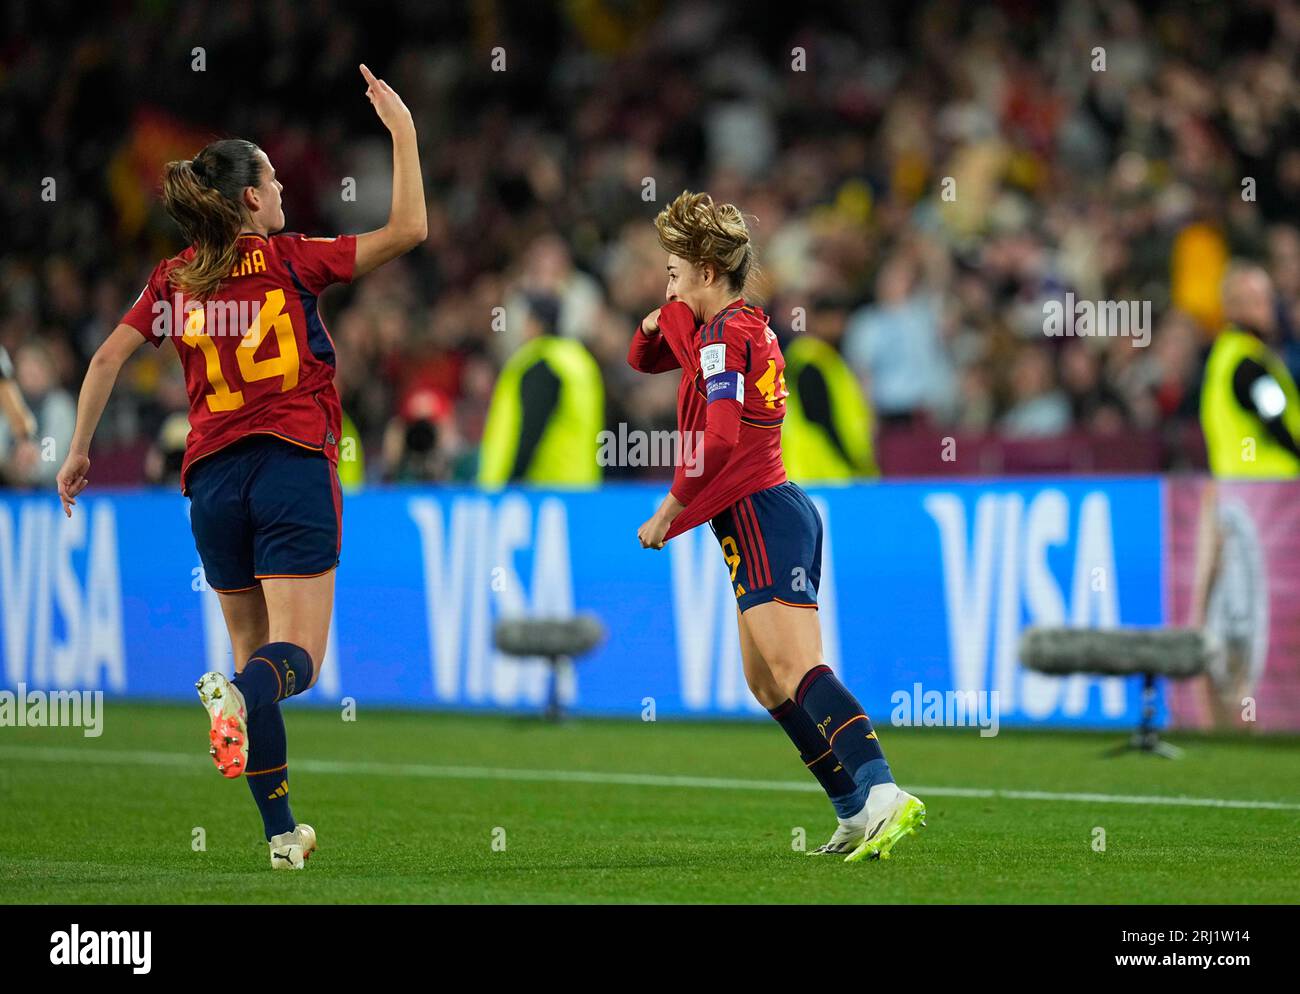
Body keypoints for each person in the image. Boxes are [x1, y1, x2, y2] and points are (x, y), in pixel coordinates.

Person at [55, 64, 427, 869]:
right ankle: (236, 704)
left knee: (253, 657)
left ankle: (280, 833)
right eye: (273, 176)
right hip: (291, 463)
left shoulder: (173, 279)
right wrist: (400, 129)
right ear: (252, 198)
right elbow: (408, 231)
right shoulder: (293, 259)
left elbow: (106, 360)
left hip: (212, 484)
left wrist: (80, 450)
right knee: (296, 661)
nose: (285, 183)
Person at [628, 191, 925, 862]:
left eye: (674, 273)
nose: (666, 284)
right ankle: (852, 808)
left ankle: (882, 791)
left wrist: (668, 510)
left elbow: (724, 438)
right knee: (766, 683)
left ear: (707, 271)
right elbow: (642, 356)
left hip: (761, 514)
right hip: (762, 518)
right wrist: (657, 320)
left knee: (796, 666)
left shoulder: (726, 336)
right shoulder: (724, 329)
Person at [478, 293, 604, 487]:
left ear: (534, 324)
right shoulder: (578, 363)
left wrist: (511, 480)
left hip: (542, 490)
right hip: (581, 486)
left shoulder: (542, 364)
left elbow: (530, 430)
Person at [1201, 263, 1300, 478]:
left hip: (1234, 480)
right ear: (1234, 308)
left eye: (1268, 298)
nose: (1268, 308)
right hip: (1268, 480)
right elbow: (1276, 421)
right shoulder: (1249, 364)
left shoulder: (1224, 355)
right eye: (1257, 301)